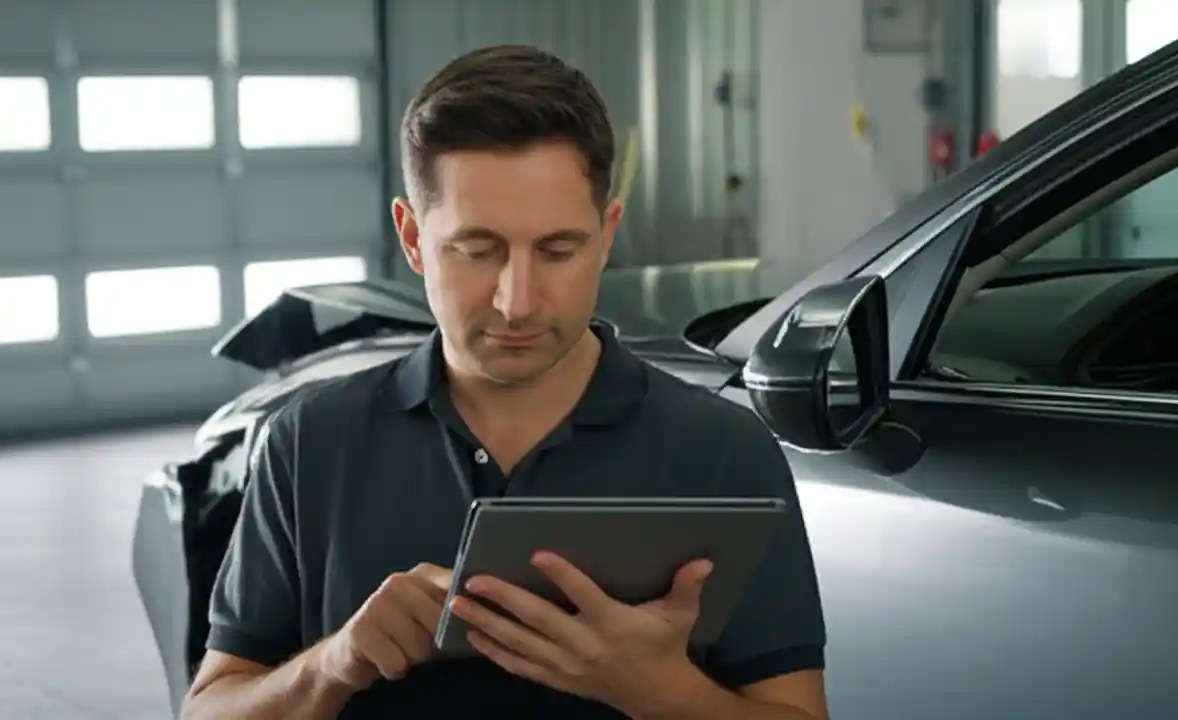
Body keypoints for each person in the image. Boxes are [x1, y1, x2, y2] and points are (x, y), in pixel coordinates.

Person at [181, 44, 829, 719]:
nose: (516, 301)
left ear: (607, 235)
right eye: (477, 250)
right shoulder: (307, 443)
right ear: (411, 236)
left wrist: (661, 692)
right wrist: (335, 661)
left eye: (557, 250)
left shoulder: (724, 451)